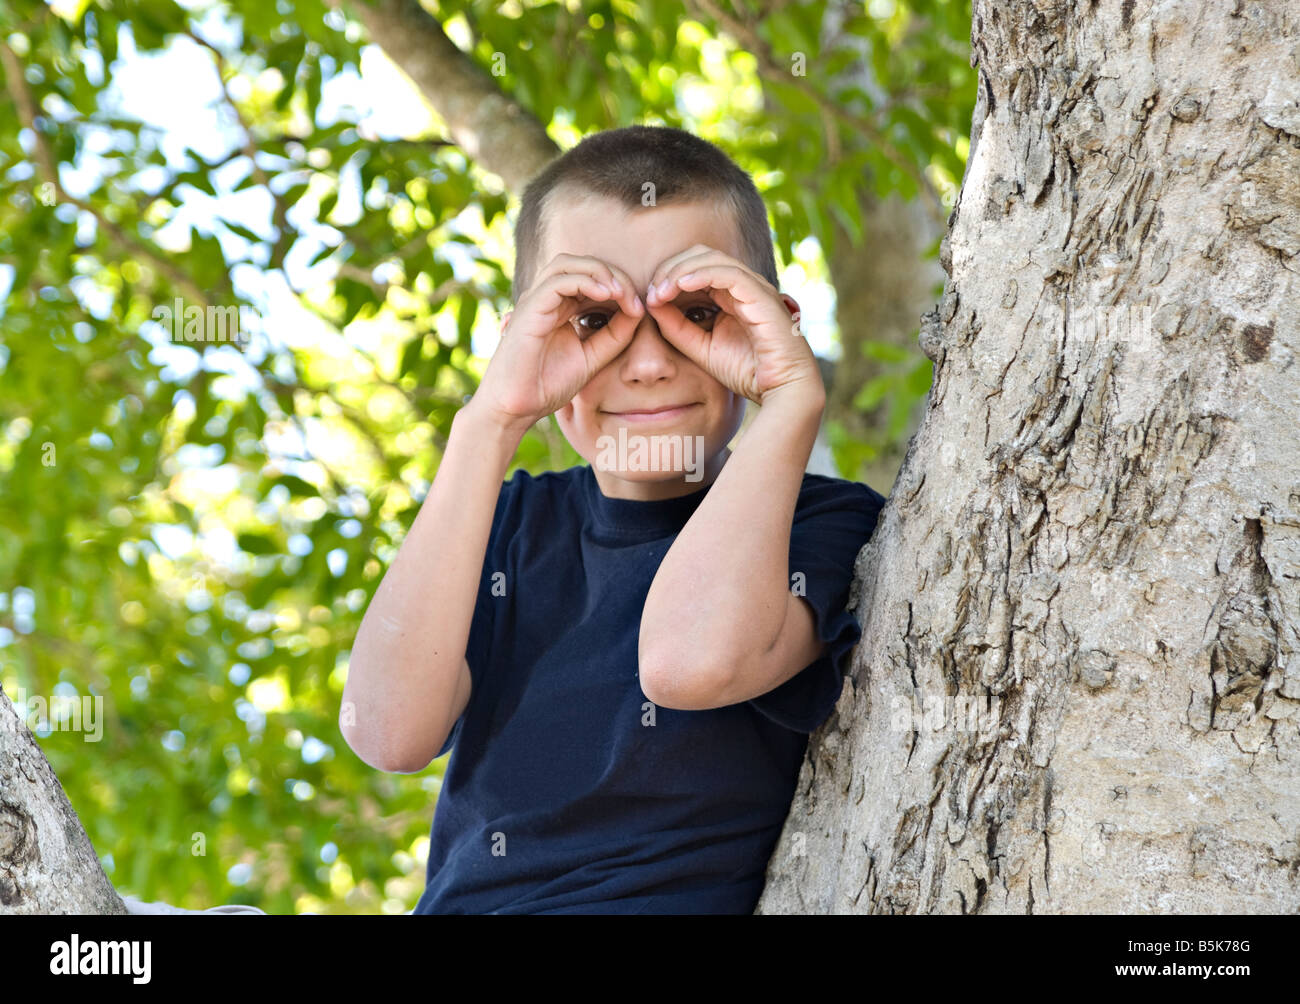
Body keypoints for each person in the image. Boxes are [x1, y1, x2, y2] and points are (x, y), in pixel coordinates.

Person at [340, 124, 886, 914]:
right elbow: (387, 731)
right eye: (593, 319)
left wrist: (791, 397)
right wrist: (492, 417)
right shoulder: (507, 526)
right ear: (525, 336)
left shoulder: (828, 525)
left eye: (698, 311)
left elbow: (686, 664)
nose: (649, 363)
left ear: (771, 320)